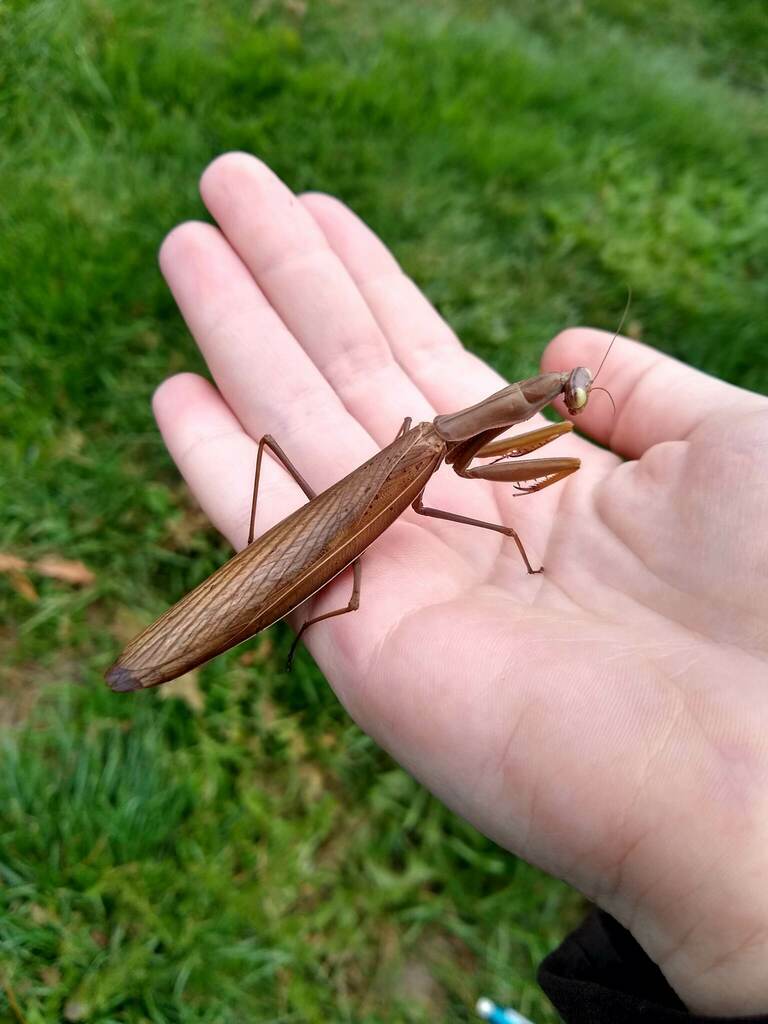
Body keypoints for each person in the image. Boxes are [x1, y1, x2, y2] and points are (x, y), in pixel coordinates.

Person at [152, 152, 768, 1022]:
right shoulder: (440, 447)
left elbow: (490, 461)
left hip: (394, 475)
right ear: (535, 401)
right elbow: (479, 478)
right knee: (334, 560)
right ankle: (246, 602)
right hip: (322, 534)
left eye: (569, 400)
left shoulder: (445, 440)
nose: (571, 403)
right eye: (566, 399)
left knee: (320, 521)